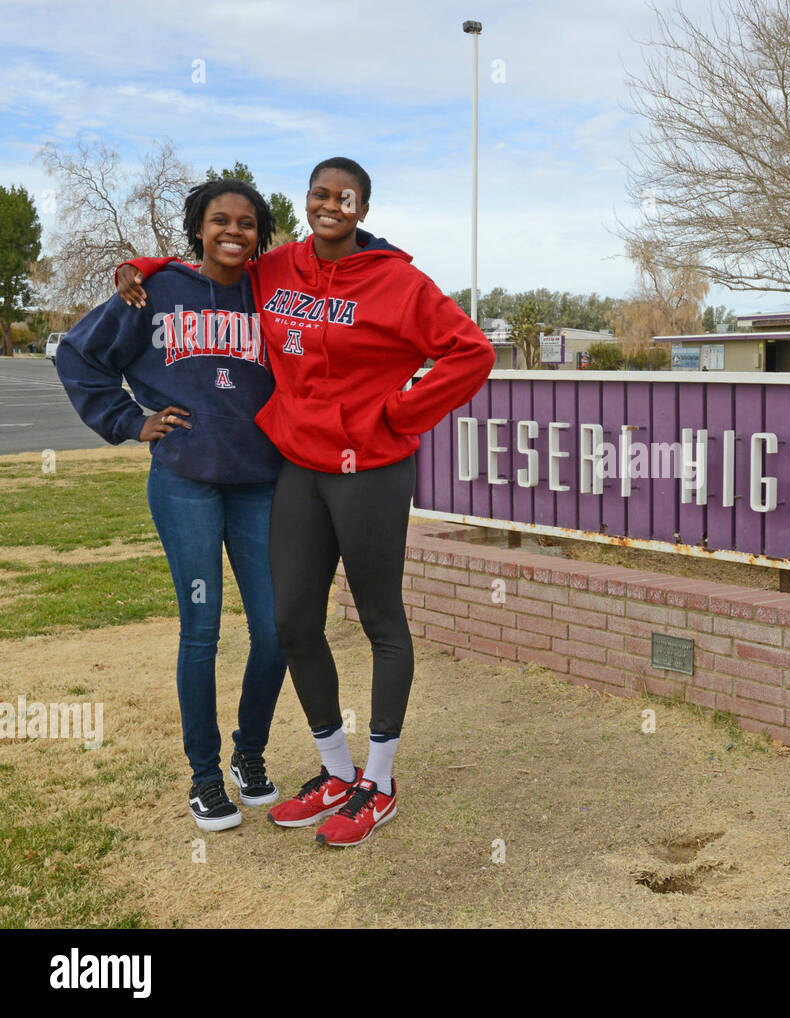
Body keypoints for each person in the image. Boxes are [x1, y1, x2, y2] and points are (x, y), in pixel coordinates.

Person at [117, 157, 495, 846]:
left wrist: (398, 415)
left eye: (344, 198)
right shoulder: (277, 267)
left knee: (382, 621)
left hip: (371, 470)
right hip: (298, 466)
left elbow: (470, 353)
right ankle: (334, 772)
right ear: (309, 200)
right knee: (292, 623)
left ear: (362, 208)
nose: (330, 206)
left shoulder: (399, 282)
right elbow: (210, 261)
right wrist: (139, 267)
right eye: (320, 194)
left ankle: (379, 783)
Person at [60, 178, 287, 832]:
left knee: (276, 629)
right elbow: (79, 356)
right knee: (203, 628)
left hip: (257, 480)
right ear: (199, 227)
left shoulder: (270, 294)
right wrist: (131, 421)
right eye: (220, 220)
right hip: (184, 480)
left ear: (259, 233)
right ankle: (206, 777)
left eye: (247, 222)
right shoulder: (154, 291)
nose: (234, 231)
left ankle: (249, 753)